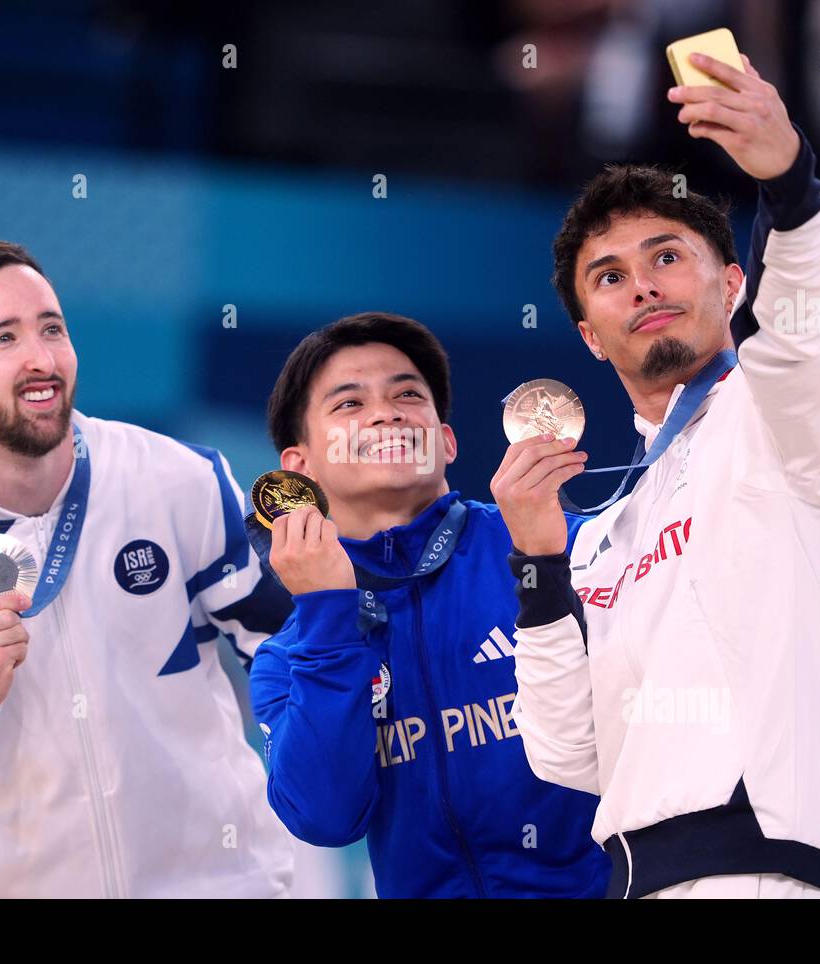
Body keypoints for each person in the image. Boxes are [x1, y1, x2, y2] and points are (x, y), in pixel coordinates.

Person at [492, 52, 820, 898]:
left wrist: (790, 185)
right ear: (590, 337)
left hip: (767, 867)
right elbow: (571, 754)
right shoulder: (602, 530)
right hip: (638, 879)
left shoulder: (786, 417)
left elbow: (799, 332)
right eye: (610, 278)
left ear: (734, 280)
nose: (641, 285)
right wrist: (538, 568)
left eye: (668, 256)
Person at [0, 241, 294, 897]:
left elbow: (289, 660)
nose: (41, 359)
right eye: (4, 339)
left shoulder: (178, 481)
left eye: (52, 328)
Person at [247, 313, 610, 898]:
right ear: (300, 468)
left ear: (445, 440)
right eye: (348, 405)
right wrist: (327, 614)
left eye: (408, 394)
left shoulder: (559, 545)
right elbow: (326, 817)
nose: (387, 412)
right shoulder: (292, 653)